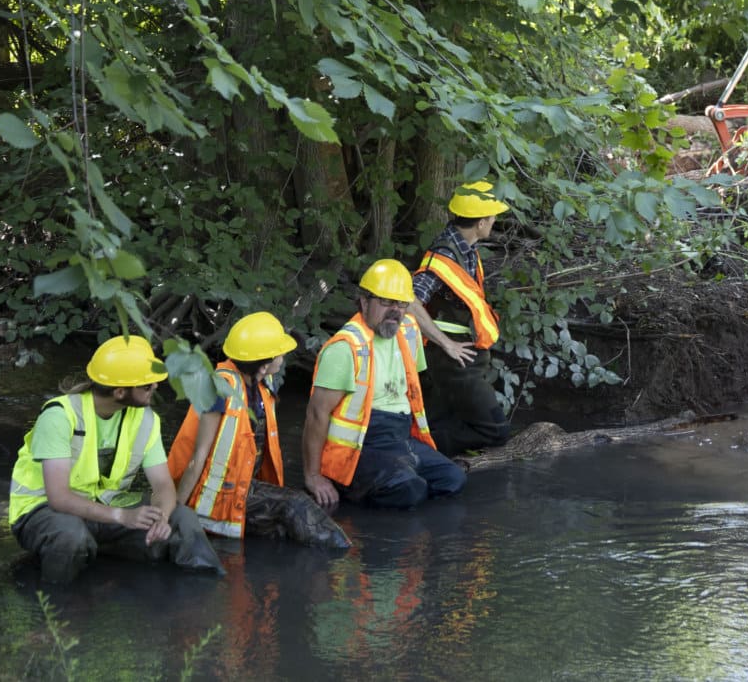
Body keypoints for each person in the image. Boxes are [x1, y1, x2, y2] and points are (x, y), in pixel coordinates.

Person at [7, 335, 223, 583]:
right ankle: (56, 609)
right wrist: (122, 517)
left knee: (182, 518)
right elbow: (58, 498)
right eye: (146, 385)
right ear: (119, 392)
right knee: (71, 537)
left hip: (105, 507)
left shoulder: (146, 420)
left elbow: (163, 486)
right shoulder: (59, 416)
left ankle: (205, 597)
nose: (155, 387)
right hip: (44, 511)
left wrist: (162, 517)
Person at [167, 312, 348, 547]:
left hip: (241, 487)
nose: (284, 355)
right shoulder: (220, 388)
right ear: (264, 363)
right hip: (213, 498)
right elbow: (197, 457)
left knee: (288, 527)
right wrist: (176, 513)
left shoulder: (260, 385)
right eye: (280, 352)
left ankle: (339, 556)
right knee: (296, 504)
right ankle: (344, 562)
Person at [303, 259, 466, 510]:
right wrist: (313, 476)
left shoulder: (409, 331)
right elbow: (316, 414)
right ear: (364, 302)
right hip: (358, 446)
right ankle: (359, 500)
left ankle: (397, 480)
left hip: (400, 437)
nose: (395, 310)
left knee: (453, 479)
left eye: (401, 304)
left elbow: (415, 388)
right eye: (386, 302)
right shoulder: (345, 348)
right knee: (411, 490)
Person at [413, 180, 513, 453]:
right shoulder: (445, 253)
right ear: (480, 223)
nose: (494, 221)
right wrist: (446, 343)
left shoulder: (466, 249)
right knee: (497, 431)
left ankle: (431, 458)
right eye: (492, 216)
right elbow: (408, 300)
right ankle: (421, 451)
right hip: (451, 360)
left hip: (463, 360)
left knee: (440, 420)